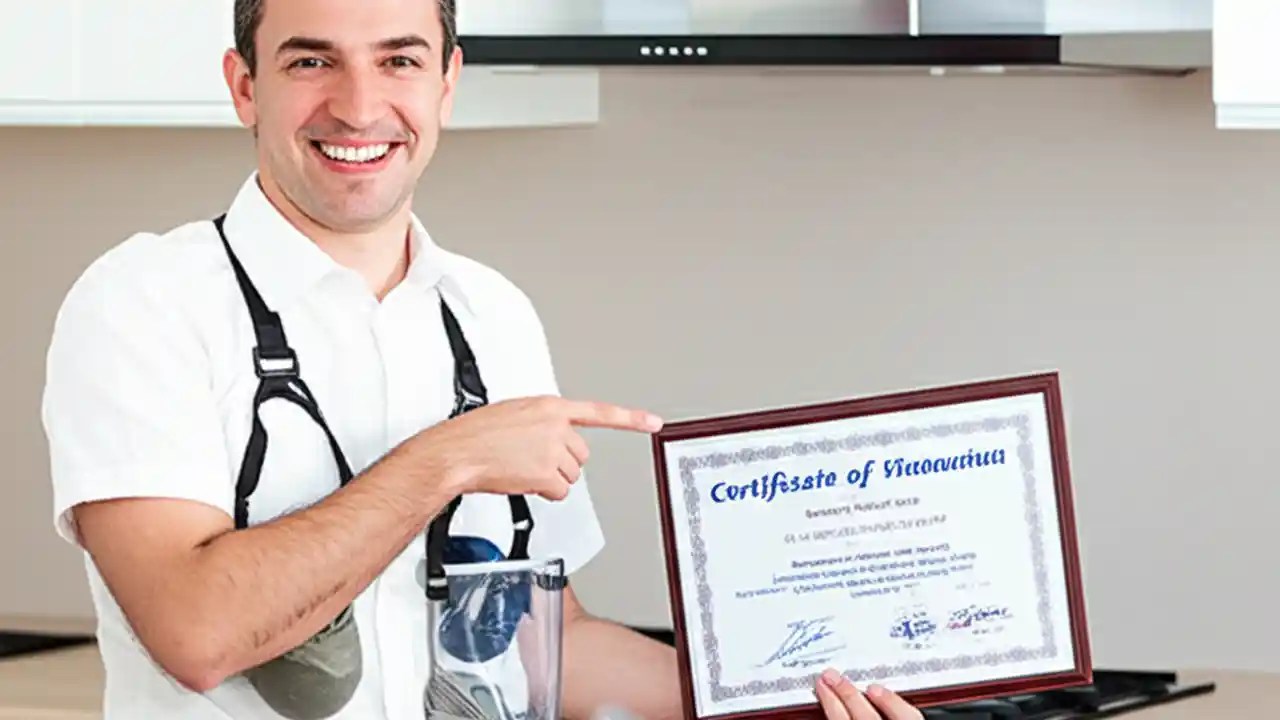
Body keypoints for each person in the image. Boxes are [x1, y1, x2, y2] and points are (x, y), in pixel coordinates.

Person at [39, 1, 925, 719]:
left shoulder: (489, 313)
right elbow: (197, 632)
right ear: (245, 87)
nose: (359, 106)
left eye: (399, 60)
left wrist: (787, 697)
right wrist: (449, 459)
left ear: (447, 83)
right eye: (312, 61)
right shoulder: (144, 301)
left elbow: (550, 644)